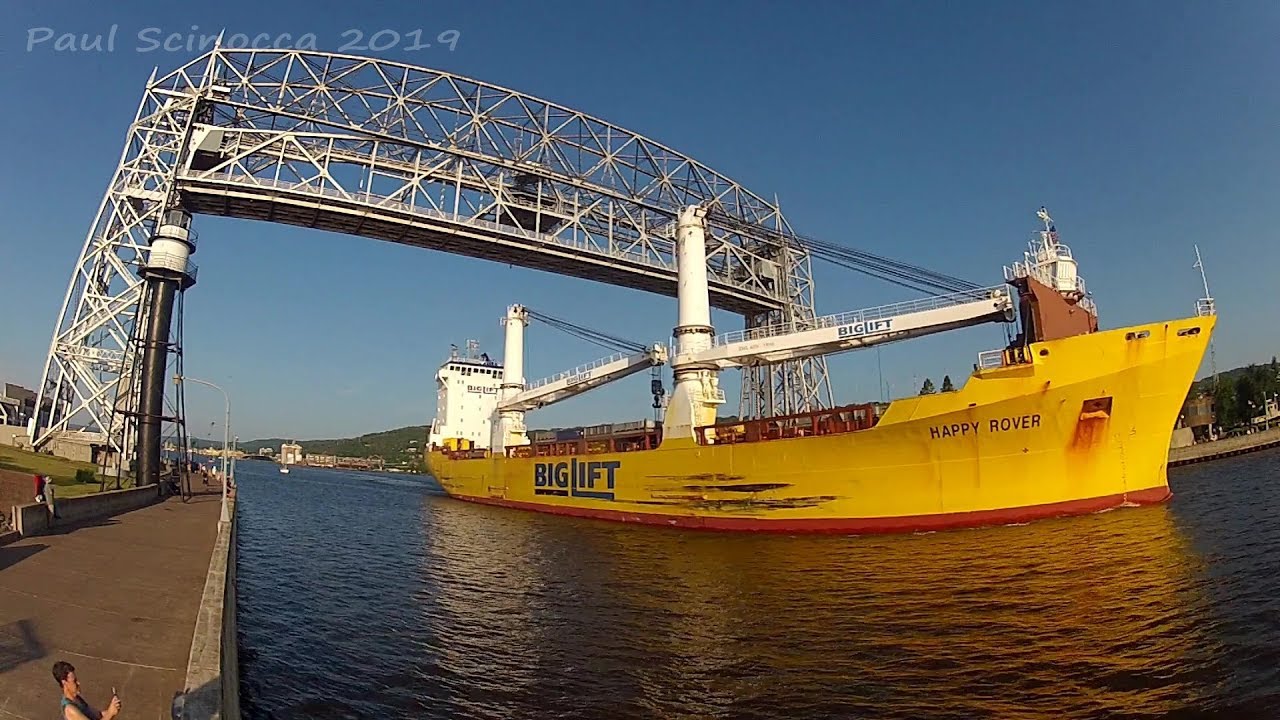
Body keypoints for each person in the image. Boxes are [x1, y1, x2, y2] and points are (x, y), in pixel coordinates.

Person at [51, 660, 121, 720]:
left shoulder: (77, 699)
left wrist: (113, 708)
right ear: (64, 683)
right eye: (74, 681)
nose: (78, 683)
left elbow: (98, 715)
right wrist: (110, 713)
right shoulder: (70, 709)